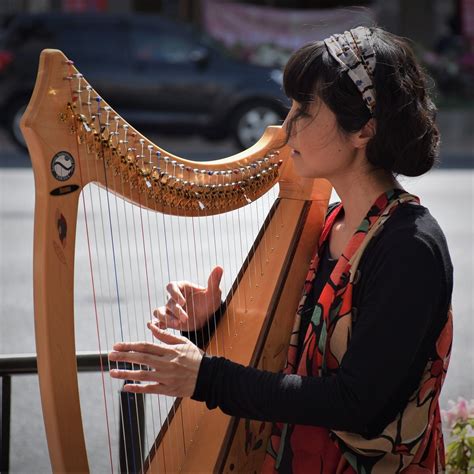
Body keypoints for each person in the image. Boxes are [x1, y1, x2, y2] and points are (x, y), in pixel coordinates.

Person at [109, 26, 454, 473]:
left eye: (305, 110)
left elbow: (358, 404)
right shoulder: (327, 222)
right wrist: (214, 325)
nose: (285, 126)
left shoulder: (409, 247)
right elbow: (288, 360)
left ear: (363, 130)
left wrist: (205, 377)